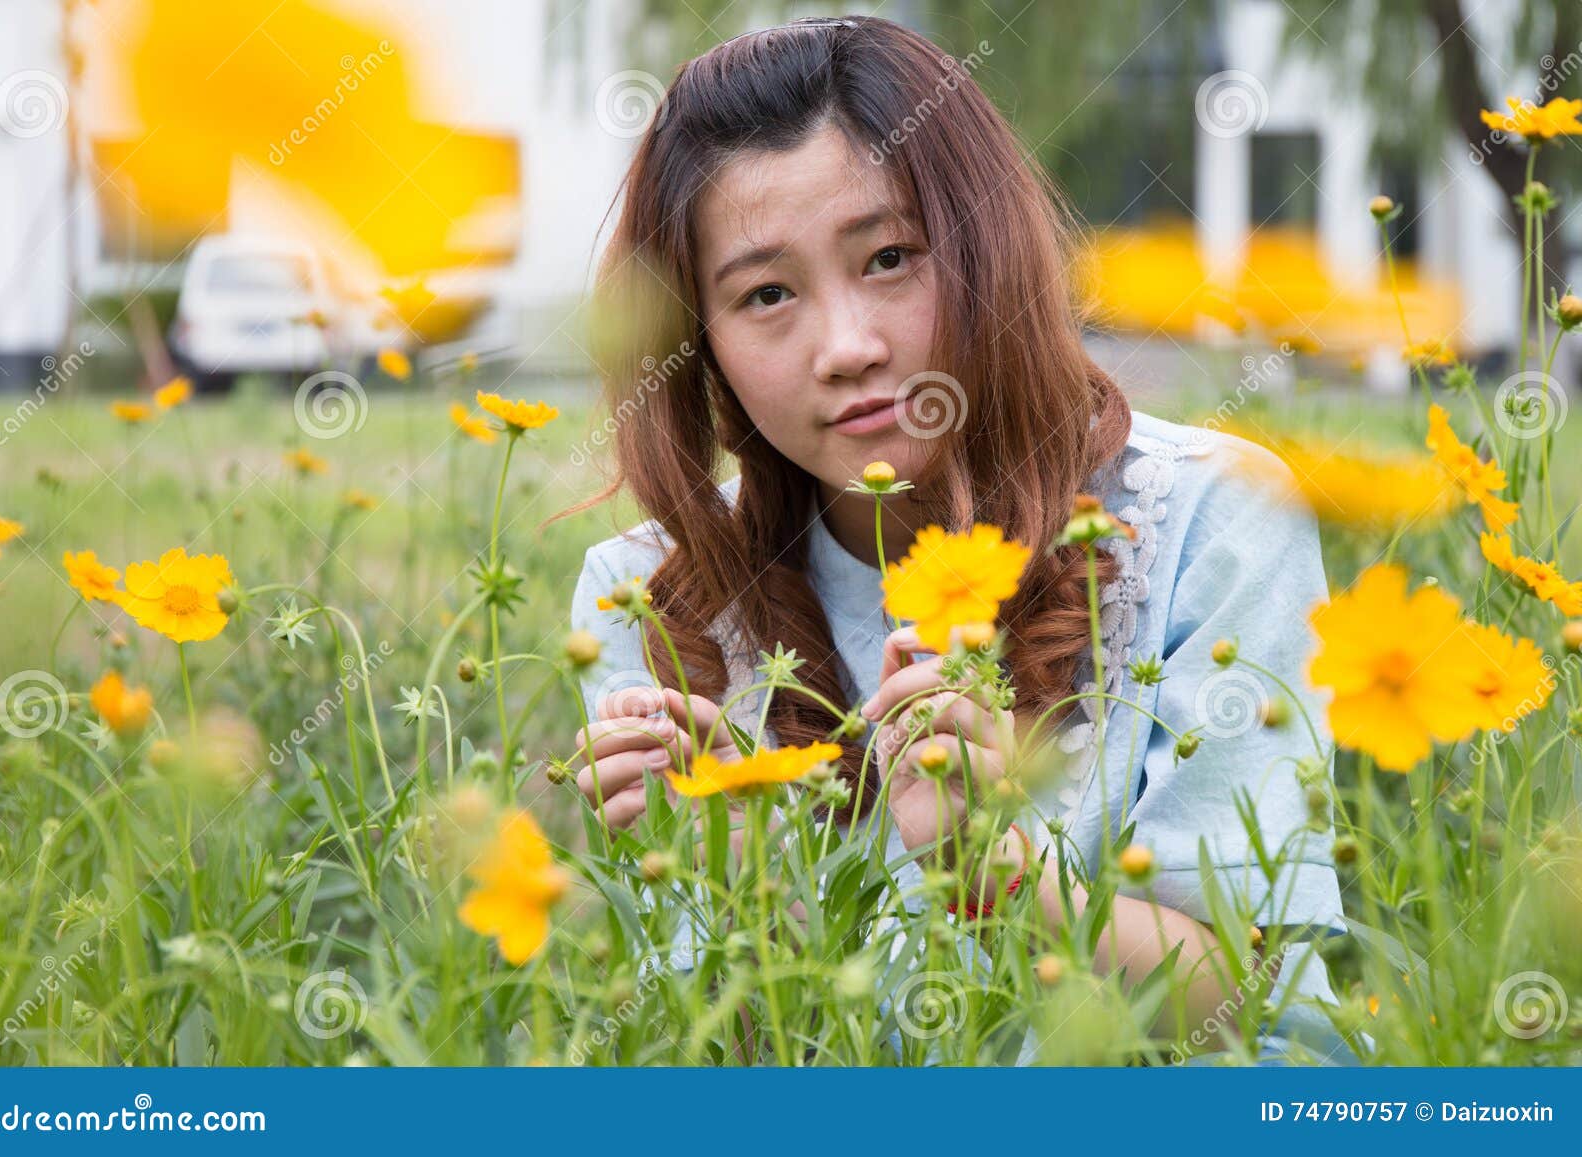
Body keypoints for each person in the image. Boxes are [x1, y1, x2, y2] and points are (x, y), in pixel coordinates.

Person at [561, 15, 1357, 1065]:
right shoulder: (649, 595)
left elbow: (1258, 1016)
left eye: (889, 256)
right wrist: (746, 876)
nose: (848, 347)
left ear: (986, 245)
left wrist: (1000, 870)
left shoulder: (1215, 516)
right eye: (765, 293)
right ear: (692, 338)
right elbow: (729, 1060)